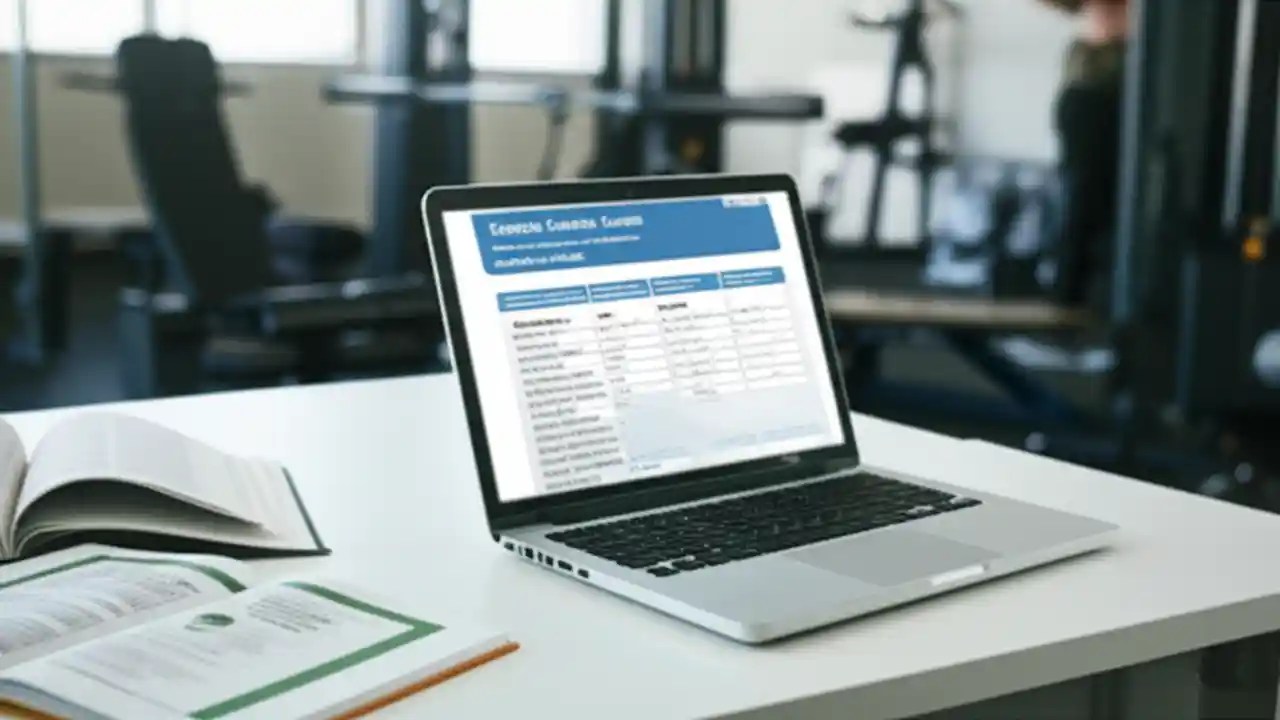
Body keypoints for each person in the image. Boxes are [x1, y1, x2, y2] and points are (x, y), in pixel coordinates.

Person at [1044, 0, 1129, 309]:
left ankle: (1074, 299)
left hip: (1127, 66)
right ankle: (1067, 301)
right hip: (1096, 72)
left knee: (1101, 202)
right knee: (1083, 196)